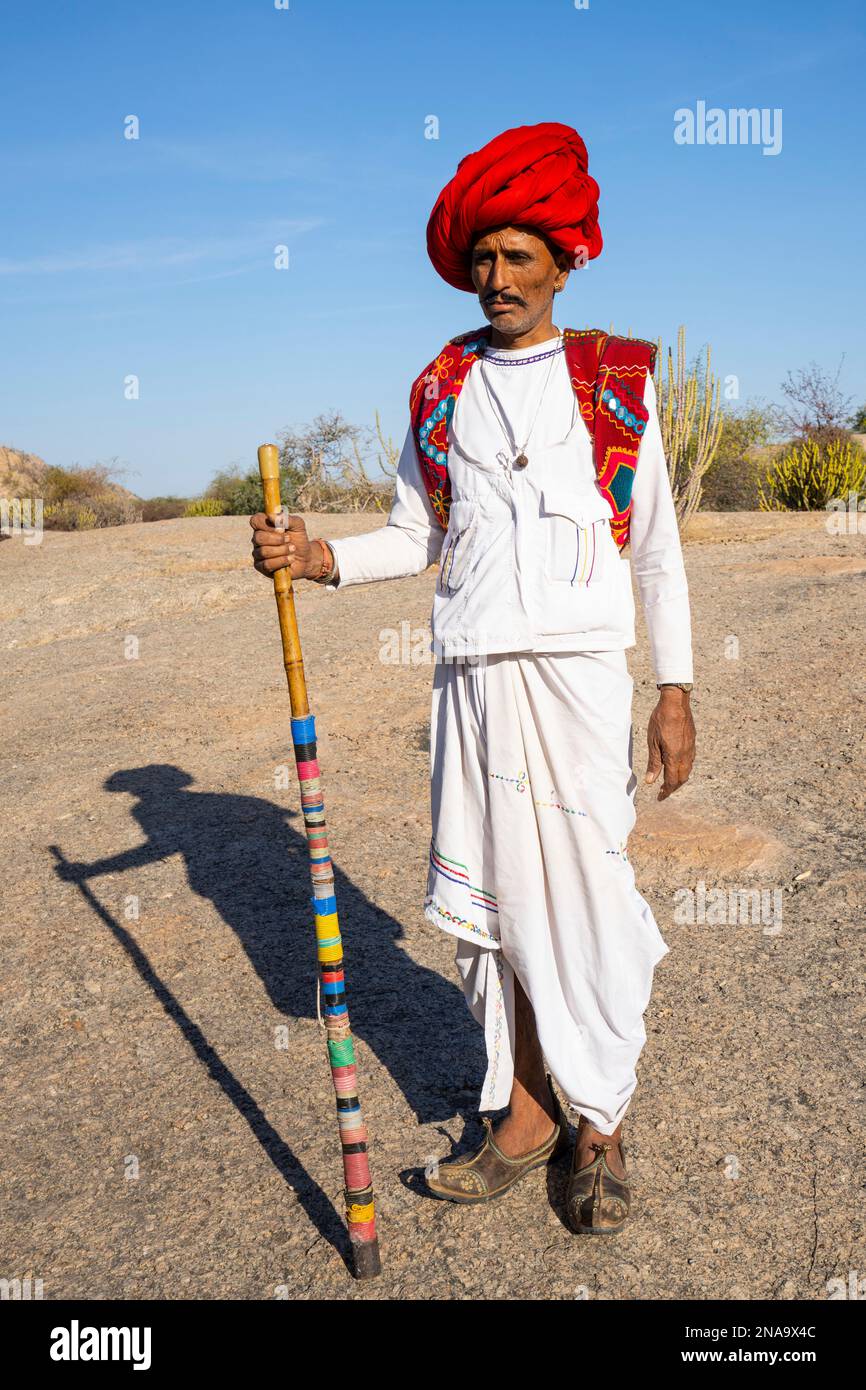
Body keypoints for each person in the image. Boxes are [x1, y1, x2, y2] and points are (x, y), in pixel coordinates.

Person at [251, 122, 696, 1234]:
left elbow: (654, 551)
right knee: (496, 907)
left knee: (581, 899)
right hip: (470, 679)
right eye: (480, 258)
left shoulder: (615, 381)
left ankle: (599, 1120)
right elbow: (416, 535)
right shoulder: (440, 387)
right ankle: (528, 1110)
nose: (496, 277)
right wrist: (318, 558)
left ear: (562, 258)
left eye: (517, 255)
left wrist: (674, 686)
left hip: (579, 680)